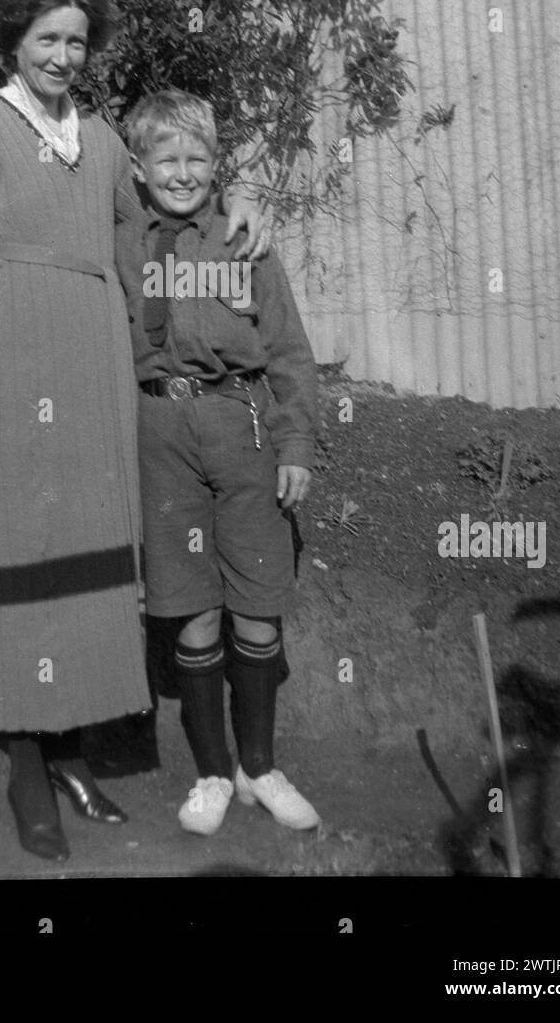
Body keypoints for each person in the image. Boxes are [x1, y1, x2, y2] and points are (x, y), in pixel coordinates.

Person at [0, 0, 266, 861]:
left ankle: (71, 752)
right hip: (21, 356)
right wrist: (16, 292)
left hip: (98, 361)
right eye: (46, 40)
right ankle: (26, 762)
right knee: (28, 540)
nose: (62, 56)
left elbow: (155, 217)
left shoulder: (102, 138)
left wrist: (240, 205)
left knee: (89, 542)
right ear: (13, 44)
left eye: (75, 42)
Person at [115, 88, 321, 836]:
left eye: (197, 158)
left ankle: (258, 767)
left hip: (241, 430)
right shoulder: (120, 241)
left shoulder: (245, 242)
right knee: (192, 611)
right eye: (164, 158)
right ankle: (210, 774)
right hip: (159, 432)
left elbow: (292, 351)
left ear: (217, 164)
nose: (181, 171)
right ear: (138, 168)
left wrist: (296, 442)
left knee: (257, 607)